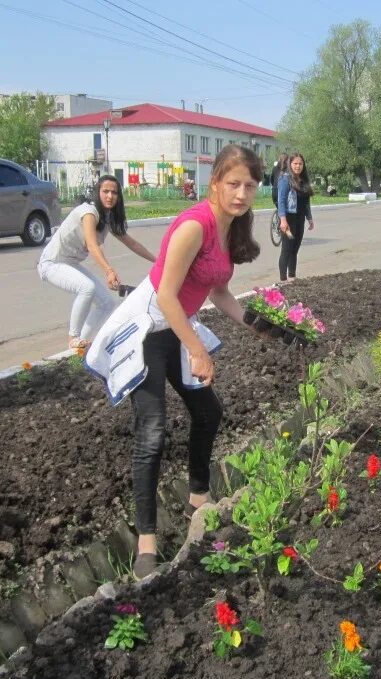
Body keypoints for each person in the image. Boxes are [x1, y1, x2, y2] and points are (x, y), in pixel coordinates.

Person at [86, 146, 264, 578]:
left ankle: (198, 502)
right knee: (153, 432)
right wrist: (198, 350)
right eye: (233, 184)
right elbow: (166, 294)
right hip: (148, 330)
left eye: (250, 186)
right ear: (216, 182)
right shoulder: (194, 225)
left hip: (177, 327)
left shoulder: (230, 228)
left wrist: (258, 323)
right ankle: (146, 541)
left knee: (208, 411)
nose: (241, 194)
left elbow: (218, 290)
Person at [37, 174, 155, 350]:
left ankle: (79, 346)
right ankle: (73, 337)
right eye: (105, 191)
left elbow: (131, 243)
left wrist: (158, 261)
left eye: (114, 192)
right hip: (52, 263)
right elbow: (92, 246)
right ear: (97, 193)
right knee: (86, 288)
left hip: (70, 263)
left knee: (107, 303)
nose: (110, 196)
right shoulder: (89, 212)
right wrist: (108, 270)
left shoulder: (107, 218)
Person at [277, 152, 314, 282]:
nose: (298, 166)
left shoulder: (304, 180)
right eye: (295, 164)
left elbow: (306, 201)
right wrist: (283, 220)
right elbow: (281, 200)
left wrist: (309, 218)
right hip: (288, 219)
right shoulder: (285, 179)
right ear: (290, 164)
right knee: (287, 249)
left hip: (300, 219)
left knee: (295, 249)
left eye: (300, 164)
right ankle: (283, 280)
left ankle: (292, 277)